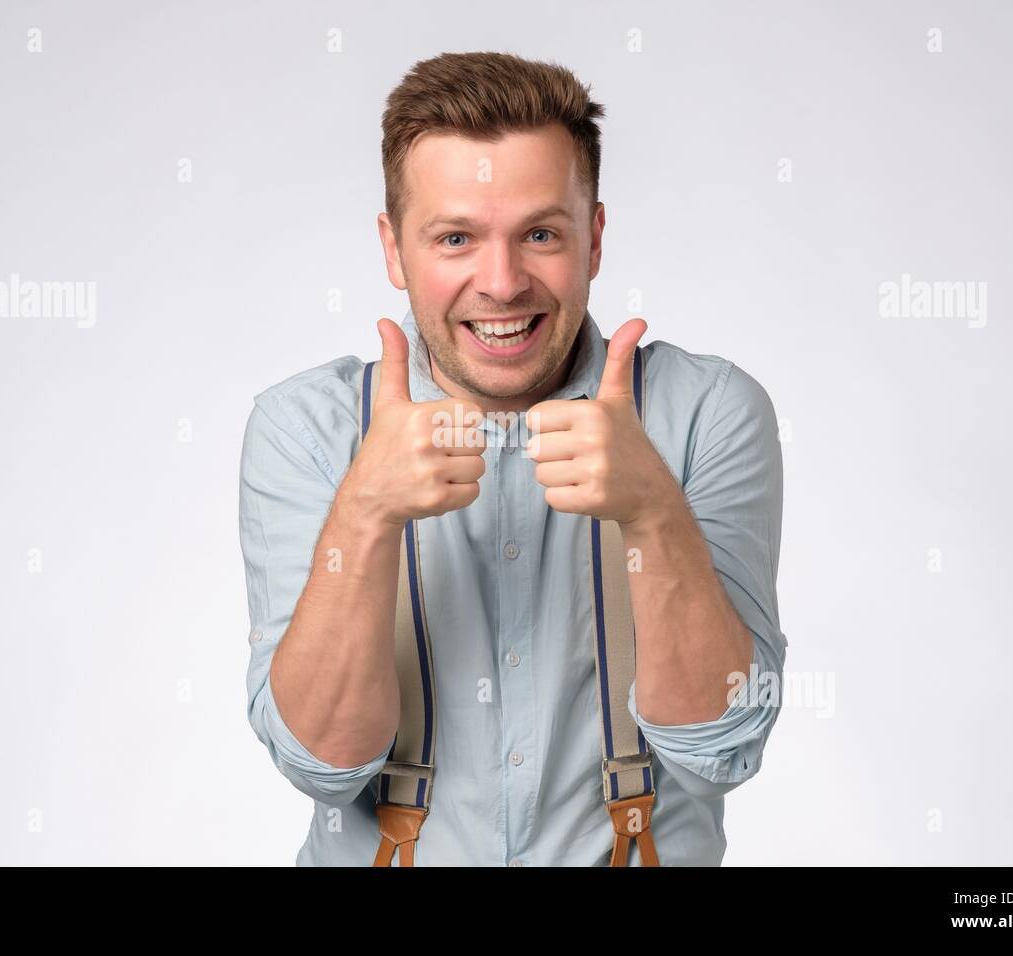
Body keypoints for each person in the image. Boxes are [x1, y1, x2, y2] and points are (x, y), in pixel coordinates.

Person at [240, 51, 786, 865]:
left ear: (593, 239)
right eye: (455, 237)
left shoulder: (708, 412)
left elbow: (721, 742)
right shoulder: (304, 429)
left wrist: (653, 514)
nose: (501, 283)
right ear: (394, 250)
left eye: (540, 234)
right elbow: (321, 764)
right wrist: (366, 510)